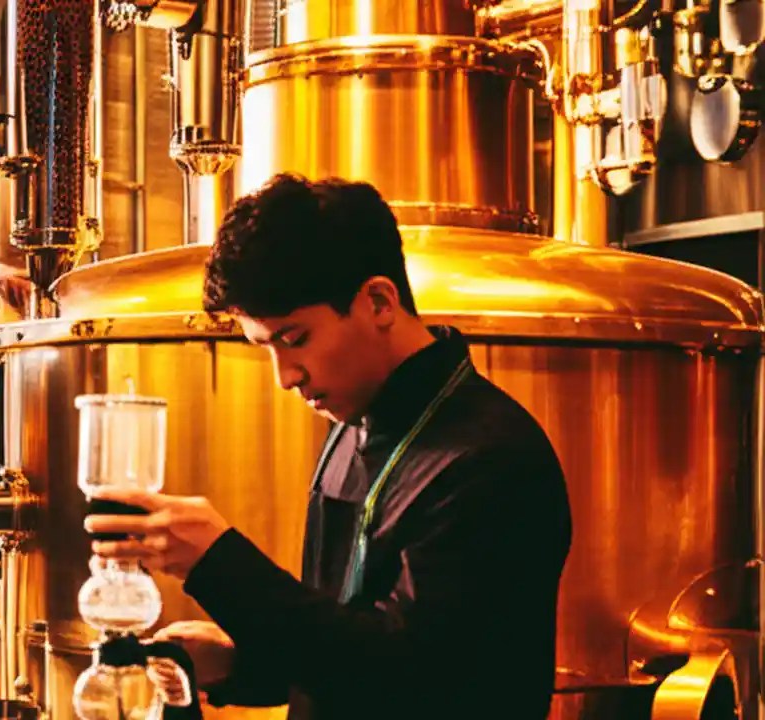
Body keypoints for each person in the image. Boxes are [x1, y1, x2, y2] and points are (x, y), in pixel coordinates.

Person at [84, 174, 573, 719]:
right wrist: (239, 664)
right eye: (264, 348)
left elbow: (420, 680)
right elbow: (351, 645)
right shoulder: (353, 423)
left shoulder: (490, 460)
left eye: (295, 340)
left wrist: (220, 564)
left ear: (379, 301)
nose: (285, 376)